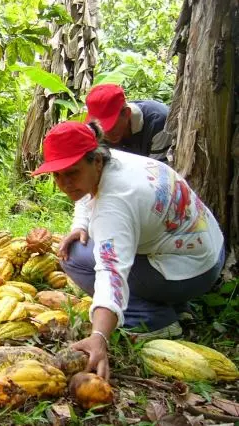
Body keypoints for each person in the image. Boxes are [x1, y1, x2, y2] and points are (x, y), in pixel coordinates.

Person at [32, 121, 225, 380]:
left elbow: (111, 273)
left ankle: (154, 319)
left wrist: (98, 336)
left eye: (72, 173)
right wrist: (80, 225)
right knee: (82, 244)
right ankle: (177, 305)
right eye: (57, 175)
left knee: (75, 258)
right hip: (208, 251)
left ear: (96, 161)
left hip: (193, 272)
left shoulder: (116, 204)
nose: (65, 184)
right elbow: (85, 195)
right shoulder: (113, 160)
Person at [85, 84, 172, 163]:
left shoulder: (158, 123)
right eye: (102, 129)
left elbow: (157, 172)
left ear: (126, 113)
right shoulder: (96, 131)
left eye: (112, 127)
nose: (107, 134)